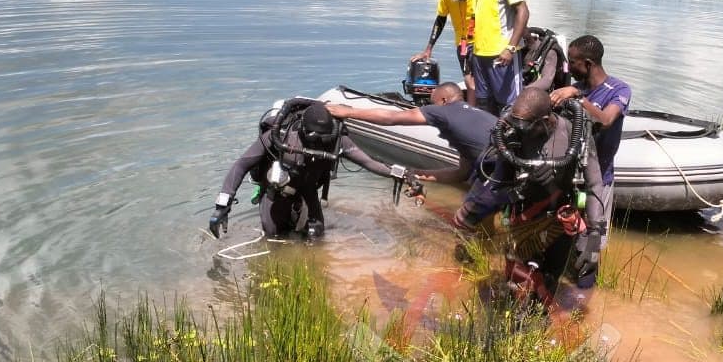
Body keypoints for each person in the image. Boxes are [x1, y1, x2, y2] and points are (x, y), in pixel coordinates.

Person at [454, 90, 606, 303]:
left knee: (548, 284)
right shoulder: (512, 133)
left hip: (558, 221)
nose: (519, 130)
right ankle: (511, 329)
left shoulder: (575, 134)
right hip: (522, 217)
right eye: (516, 124)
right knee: (514, 285)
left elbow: (595, 183)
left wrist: (594, 238)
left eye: (525, 127)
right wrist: (472, 212)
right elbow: (494, 182)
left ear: (545, 121)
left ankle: (539, 321)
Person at [208, 99, 413, 240]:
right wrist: (222, 206)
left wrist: (403, 174)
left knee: (316, 235)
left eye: (326, 138)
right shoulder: (280, 136)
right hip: (276, 191)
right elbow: (241, 164)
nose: (322, 144)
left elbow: (368, 162)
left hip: (308, 190)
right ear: (305, 131)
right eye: (317, 139)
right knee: (273, 237)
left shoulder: (336, 138)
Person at [327, 82, 497, 183]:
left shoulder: (442, 111)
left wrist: (348, 112)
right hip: (509, 159)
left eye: (432, 102)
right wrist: (415, 174)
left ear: (444, 100)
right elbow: (461, 174)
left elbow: (391, 118)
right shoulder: (477, 118)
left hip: (500, 163)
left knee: (464, 218)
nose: (428, 107)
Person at [550, 35, 631, 244]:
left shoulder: (619, 90)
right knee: (569, 233)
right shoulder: (579, 86)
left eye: (573, 61)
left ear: (588, 64)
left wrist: (577, 96)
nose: (569, 66)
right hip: (574, 176)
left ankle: (590, 273)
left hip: (600, 177)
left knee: (594, 240)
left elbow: (605, 120)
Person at [461, 0, 530, 115]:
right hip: (479, 55)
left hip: (501, 55)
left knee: (509, 106)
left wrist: (510, 48)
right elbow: (476, 20)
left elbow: (523, 11)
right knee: (484, 104)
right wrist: (469, 52)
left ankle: (507, 142)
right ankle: (485, 140)